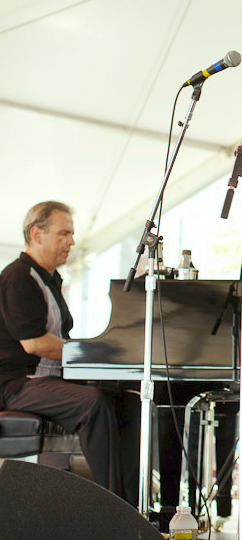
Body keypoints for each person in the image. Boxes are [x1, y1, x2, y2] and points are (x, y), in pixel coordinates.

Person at [0, 201, 140, 505]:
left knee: (128, 399)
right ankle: (112, 507)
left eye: (72, 234)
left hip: (45, 380)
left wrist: (96, 356)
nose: (72, 242)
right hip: (16, 384)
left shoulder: (50, 278)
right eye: (64, 233)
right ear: (37, 234)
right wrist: (92, 352)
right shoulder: (18, 277)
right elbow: (34, 343)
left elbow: (60, 340)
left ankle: (134, 502)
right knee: (92, 403)